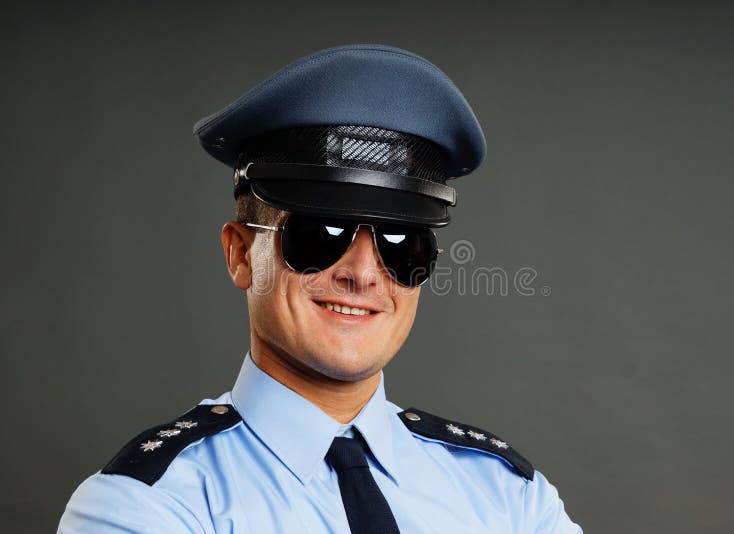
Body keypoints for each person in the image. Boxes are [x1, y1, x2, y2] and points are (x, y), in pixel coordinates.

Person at [58, 43, 582, 533]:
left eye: (401, 242)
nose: (364, 272)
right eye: (318, 234)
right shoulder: (145, 506)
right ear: (241, 254)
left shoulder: (507, 496)